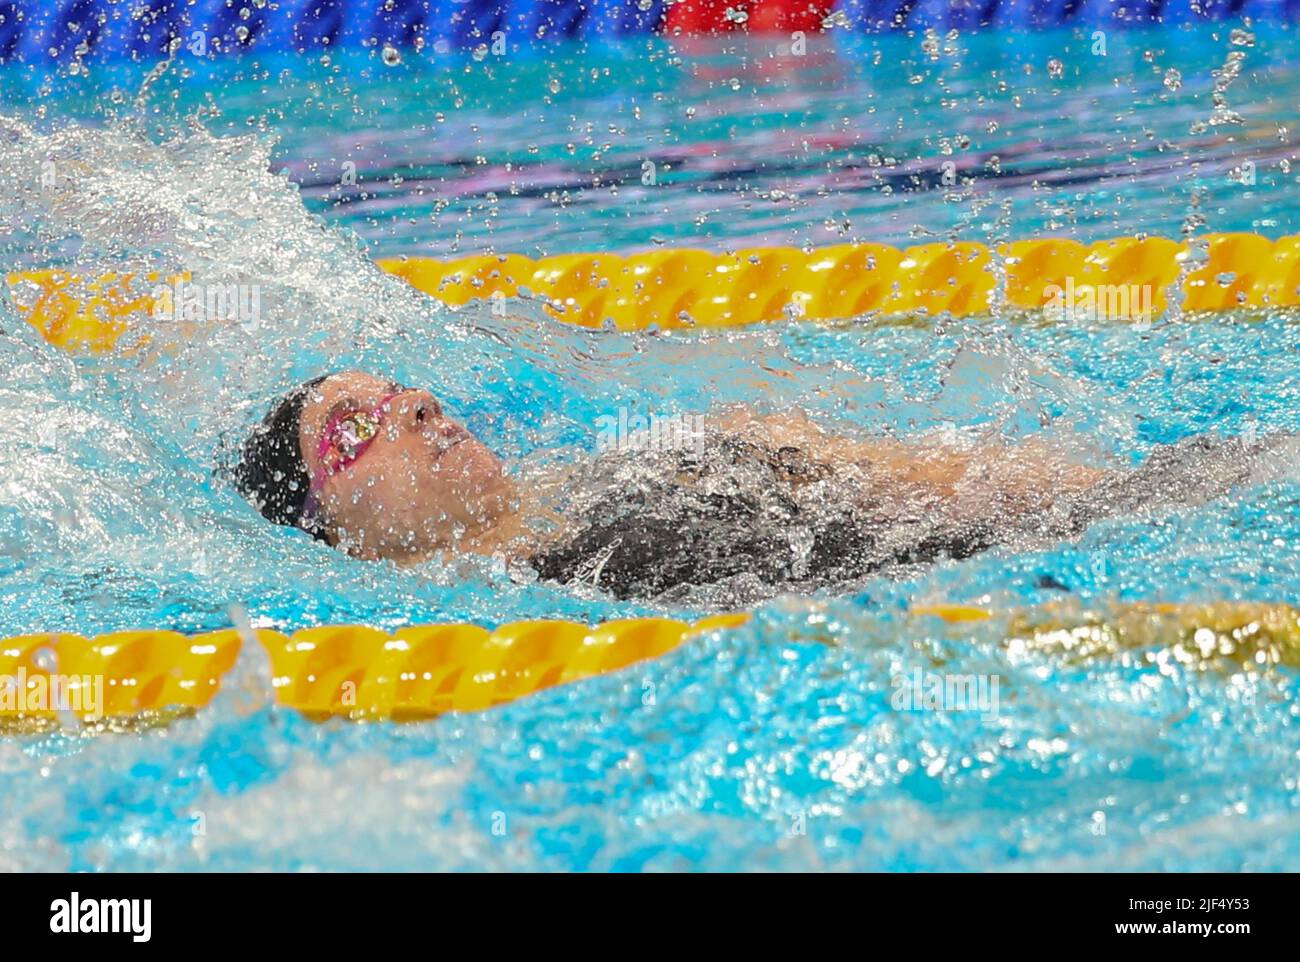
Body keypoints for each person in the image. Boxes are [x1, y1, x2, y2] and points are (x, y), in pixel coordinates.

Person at [232, 369, 1286, 601]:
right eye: (355, 427)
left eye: (408, 388)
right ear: (327, 530)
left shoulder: (623, 465)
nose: (417, 407)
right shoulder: (486, 606)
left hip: (1072, 528)